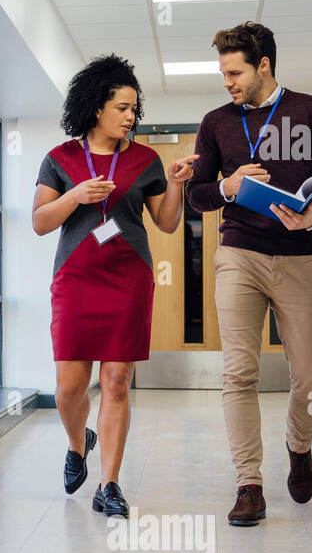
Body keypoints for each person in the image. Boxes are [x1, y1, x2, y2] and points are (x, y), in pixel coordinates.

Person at [186, 21, 312, 526]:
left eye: (234, 72)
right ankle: (248, 484)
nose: (227, 82)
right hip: (239, 254)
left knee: (311, 377)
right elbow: (197, 195)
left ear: (264, 66)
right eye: (222, 73)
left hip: (301, 257)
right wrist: (228, 186)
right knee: (239, 372)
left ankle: (299, 447)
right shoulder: (216, 121)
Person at [33, 54, 195, 516]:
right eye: (122, 107)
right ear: (96, 107)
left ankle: (108, 485)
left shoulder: (146, 160)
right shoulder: (60, 159)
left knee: (117, 381)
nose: (130, 116)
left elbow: (165, 223)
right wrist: (74, 196)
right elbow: (40, 222)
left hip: (128, 278)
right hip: (75, 280)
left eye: (134, 109)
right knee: (68, 388)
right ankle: (77, 441)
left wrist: (178, 184)